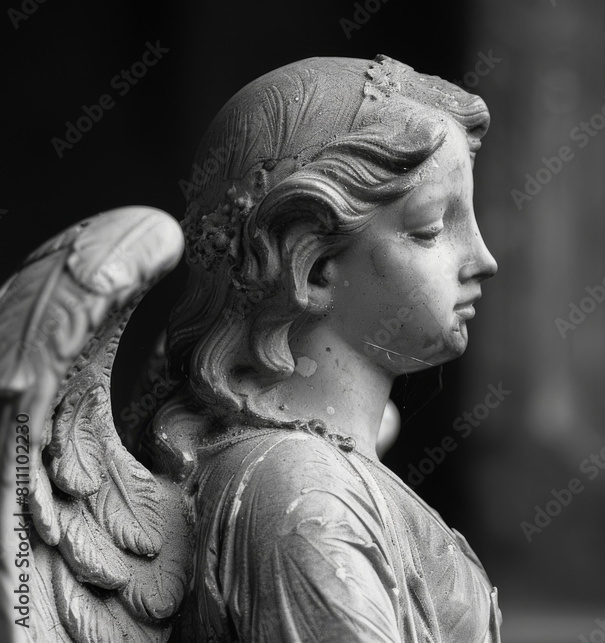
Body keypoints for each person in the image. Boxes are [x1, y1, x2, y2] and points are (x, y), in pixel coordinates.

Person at [151, 55, 502, 641]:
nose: (484, 260)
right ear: (310, 268)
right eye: (431, 229)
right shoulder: (303, 496)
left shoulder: (324, 473)